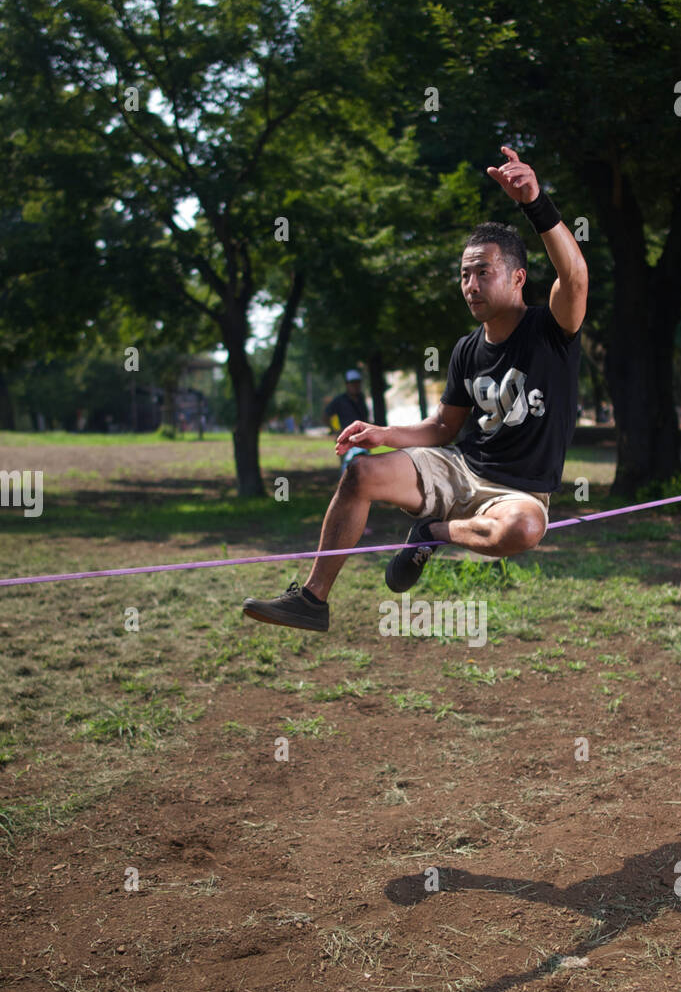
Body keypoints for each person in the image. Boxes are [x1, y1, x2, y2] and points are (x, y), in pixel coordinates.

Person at [242, 145, 588, 633]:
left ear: (517, 277)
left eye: (482, 272)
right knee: (360, 476)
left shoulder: (552, 329)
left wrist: (536, 203)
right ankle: (312, 600)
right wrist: (383, 433)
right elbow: (444, 426)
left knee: (526, 529)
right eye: (464, 274)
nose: (469, 284)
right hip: (457, 467)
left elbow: (574, 276)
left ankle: (431, 533)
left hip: (516, 492)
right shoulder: (466, 350)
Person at [324, 370, 370, 468]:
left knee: (365, 465)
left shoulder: (361, 399)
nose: (355, 386)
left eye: (357, 383)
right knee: (347, 467)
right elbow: (326, 416)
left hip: (361, 437)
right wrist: (335, 430)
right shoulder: (339, 400)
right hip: (345, 439)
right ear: (347, 384)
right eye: (352, 383)